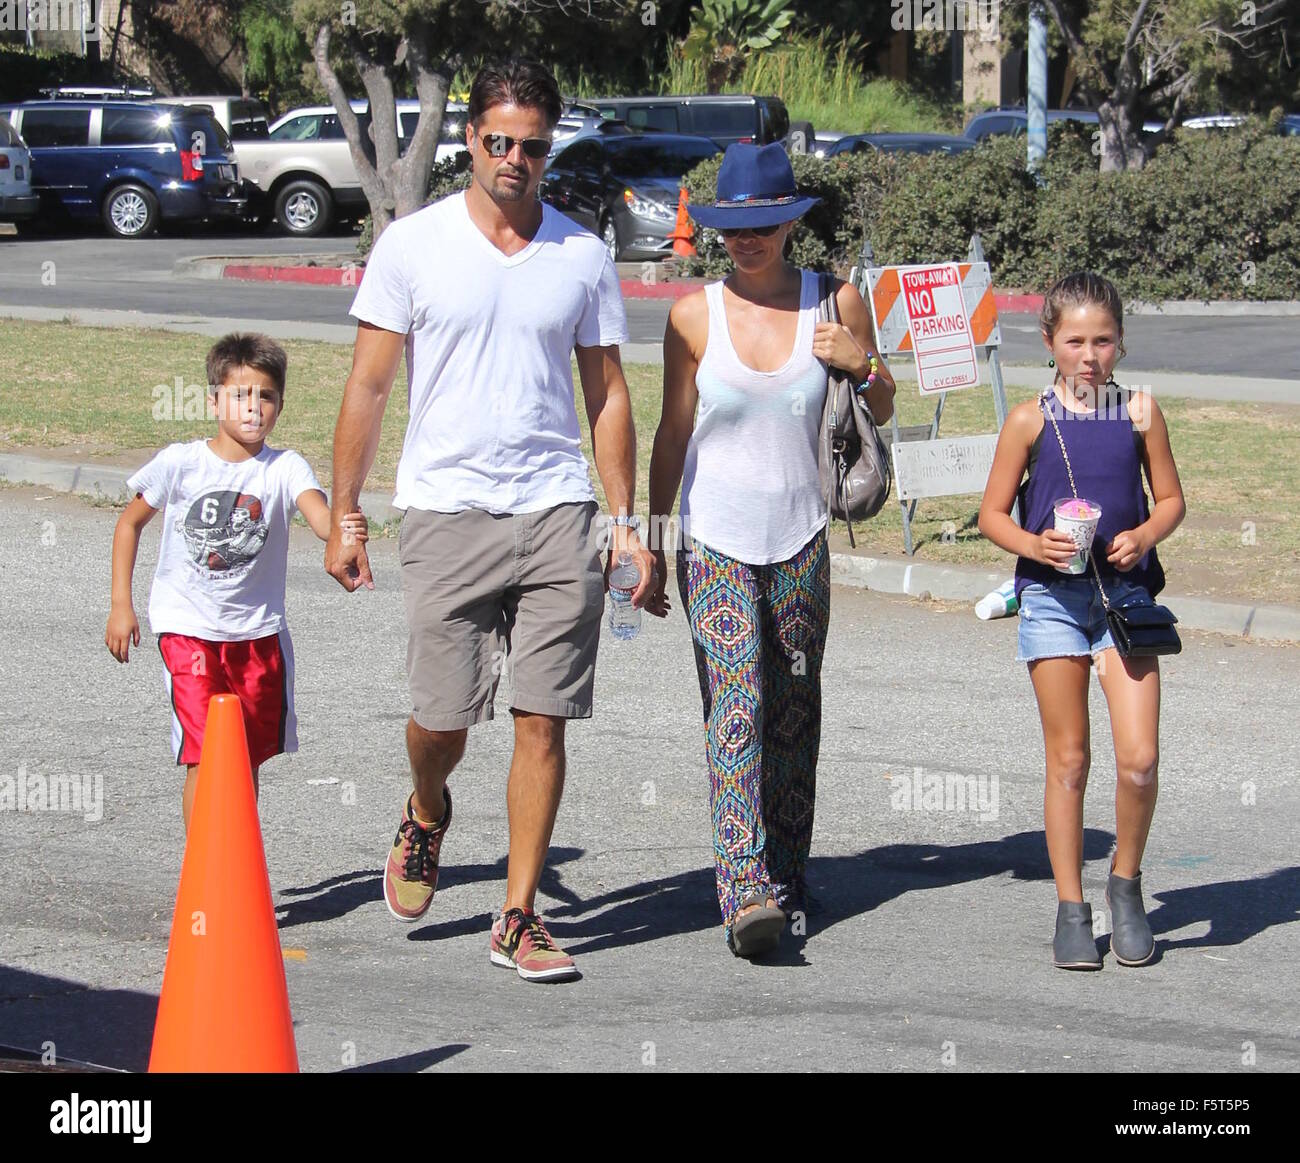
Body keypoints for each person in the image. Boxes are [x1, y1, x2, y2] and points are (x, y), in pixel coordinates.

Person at [325, 58, 657, 984]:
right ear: (471, 138)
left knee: (542, 720)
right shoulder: (412, 245)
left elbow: (609, 395)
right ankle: (428, 810)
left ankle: (518, 914)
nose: (514, 158)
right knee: (442, 719)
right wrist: (345, 511)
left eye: (533, 145)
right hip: (445, 511)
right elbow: (368, 383)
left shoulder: (582, 255)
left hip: (558, 512)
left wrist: (626, 522)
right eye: (498, 140)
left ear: (551, 149)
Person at [646, 142, 895, 957]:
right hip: (713, 537)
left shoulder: (836, 302)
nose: (746, 240)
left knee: (793, 707)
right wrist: (651, 540)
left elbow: (884, 405)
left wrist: (864, 365)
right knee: (738, 703)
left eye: (763, 225)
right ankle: (744, 886)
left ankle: (788, 875)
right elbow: (672, 432)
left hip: (800, 537)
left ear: (790, 222)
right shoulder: (693, 316)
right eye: (731, 227)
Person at [978, 271, 1186, 970]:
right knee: (1069, 761)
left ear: (1120, 344)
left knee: (1140, 759)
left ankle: (1124, 883)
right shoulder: (1030, 419)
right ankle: (1072, 905)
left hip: (1125, 601)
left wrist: (1146, 535)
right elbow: (992, 515)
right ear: (1049, 343)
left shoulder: (1139, 413)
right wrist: (1034, 545)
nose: (1089, 355)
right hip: (1051, 601)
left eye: (1102, 340)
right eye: (1075, 341)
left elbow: (1171, 501)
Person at [106, 333, 366, 831]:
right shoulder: (181, 463)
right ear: (213, 400)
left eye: (266, 396)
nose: (254, 408)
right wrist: (123, 603)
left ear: (280, 404)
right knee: (205, 755)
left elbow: (319, 518)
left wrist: (345, 533)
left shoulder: (284, 467)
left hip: (259, 635)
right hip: (188, 630)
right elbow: (128, 524)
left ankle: (235, 869)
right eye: (240, 395)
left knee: (243, 758)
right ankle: (203, 879)